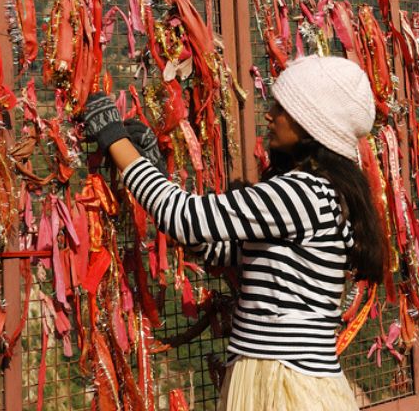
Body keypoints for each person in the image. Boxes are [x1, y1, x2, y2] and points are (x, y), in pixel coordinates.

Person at [81, 55, 385, 411]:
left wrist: (116, 140)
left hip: (285, 386)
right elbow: (219, 250)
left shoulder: (303, 193)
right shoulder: (320, 192)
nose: (269, 115)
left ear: (311, 123)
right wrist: (156, 170)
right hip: (279, 378)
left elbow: (184, 218)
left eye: (281, 108)